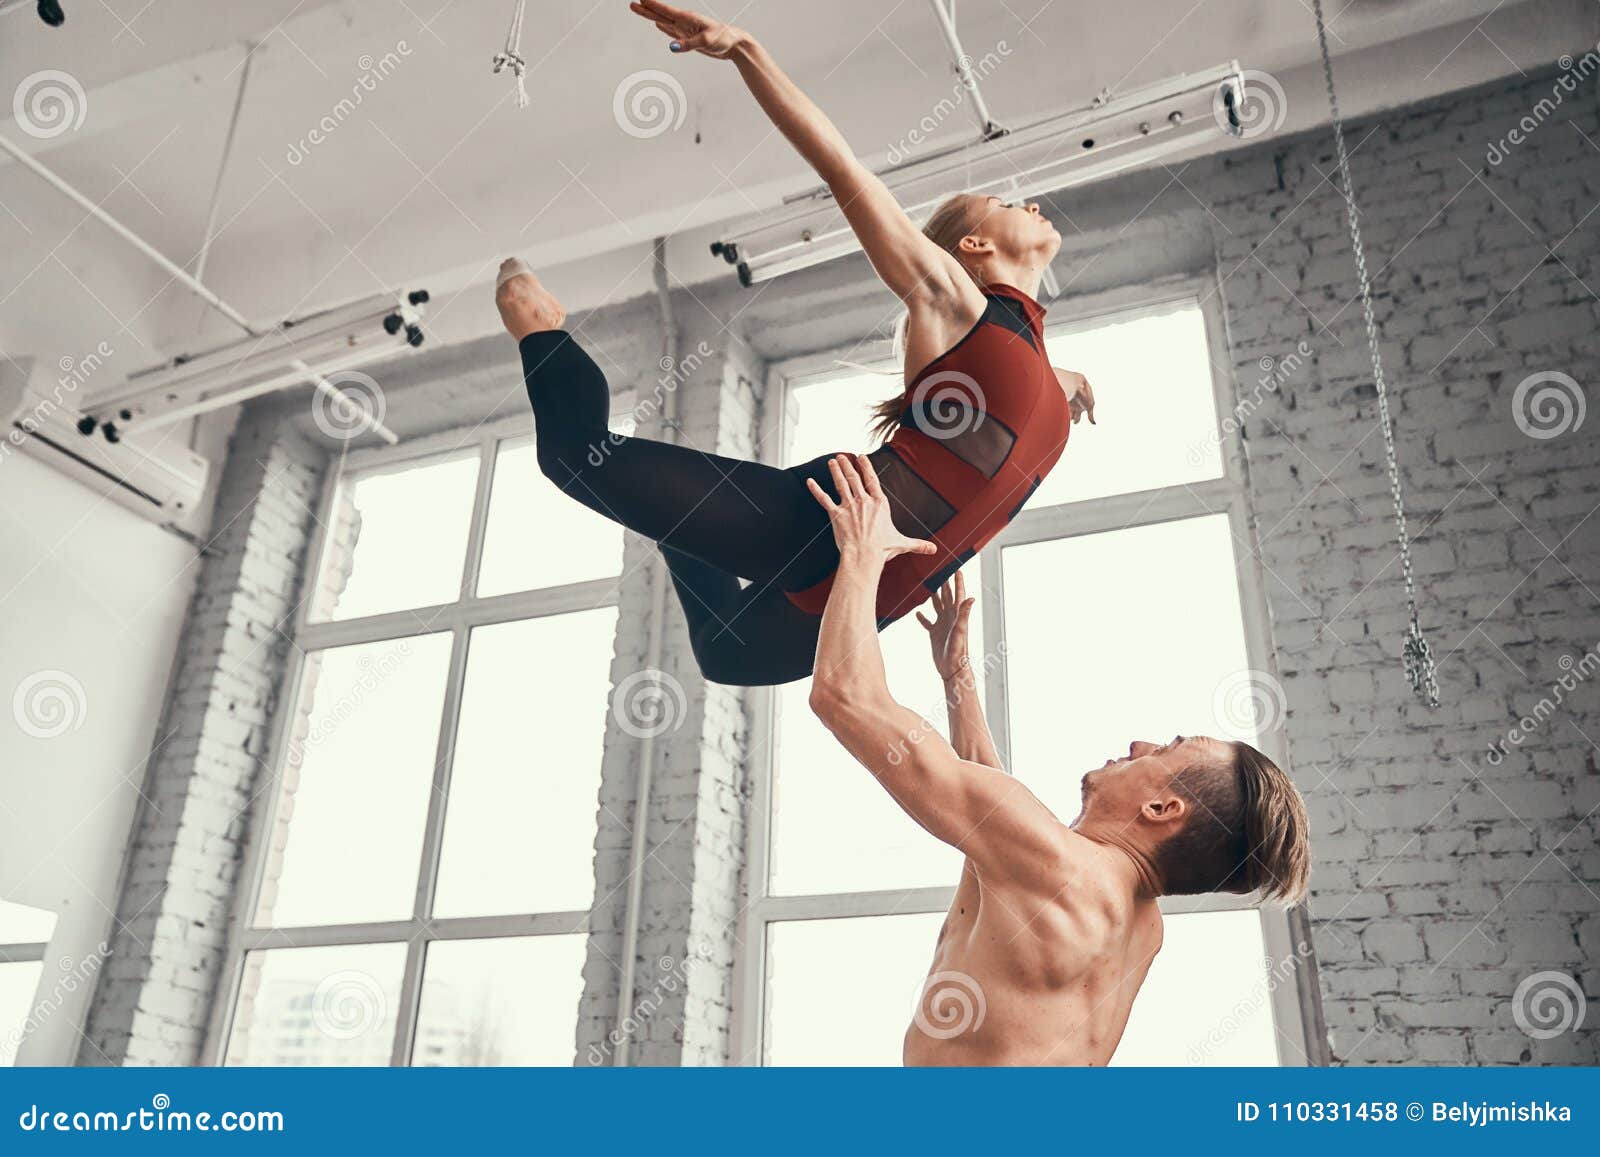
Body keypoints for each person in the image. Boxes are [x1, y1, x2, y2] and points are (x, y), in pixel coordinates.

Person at [494, 0, 1094, 686]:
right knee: (573, 456)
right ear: (975, 246)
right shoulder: (950, 300)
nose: (1033, 205)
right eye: (1008, 204)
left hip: (848, 603)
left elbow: (1024, 393)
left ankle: (667, 504)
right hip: (826, 526)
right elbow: (841, 167)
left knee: (727, 656)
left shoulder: (1038, 367)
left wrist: (1071, 381)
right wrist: (745, 50)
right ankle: (537, 323)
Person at [804, 452, 1311, 1066]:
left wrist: (862, 550)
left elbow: (844, 696)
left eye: (1166, 750)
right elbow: (989, 814)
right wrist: (958, 676)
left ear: (1162, 808)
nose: (1139, 746)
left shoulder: (1054, 867)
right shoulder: (1140, 928)